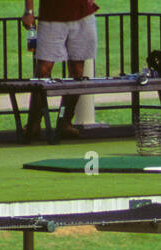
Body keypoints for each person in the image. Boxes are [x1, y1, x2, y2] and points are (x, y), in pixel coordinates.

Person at [20, 0, 99, 143]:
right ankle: (34, 123)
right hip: (51, 18)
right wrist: (29, 11)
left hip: (83, 16)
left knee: (77, 71)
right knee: (43, 70)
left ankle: (65, 121)